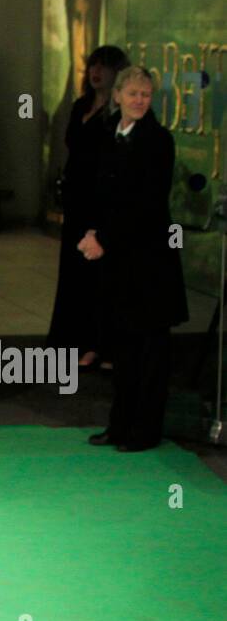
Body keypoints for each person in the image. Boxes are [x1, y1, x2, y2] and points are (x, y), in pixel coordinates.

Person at [79, 66, 188, 453]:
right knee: (122, 347)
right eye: (133, 94)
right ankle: (119, 424)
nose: (140, 100)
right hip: (119, 264)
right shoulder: (109, 133)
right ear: (119, 95)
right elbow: (99, 192)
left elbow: (147, 202)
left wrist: (104, 239)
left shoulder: (158, 141)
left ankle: (145, 431)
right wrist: (92, 231)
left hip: (150, 264)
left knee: (150, 350)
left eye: (146, 94)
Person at [48, 45, 128, 370]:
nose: (96, 72)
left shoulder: (116, 114)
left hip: (99, 201)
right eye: (93, 65)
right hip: (76, 198)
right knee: (74, 272)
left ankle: (99, 343)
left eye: (104, 67)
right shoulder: (81, 105)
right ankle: (72, 339)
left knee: (97, 274)